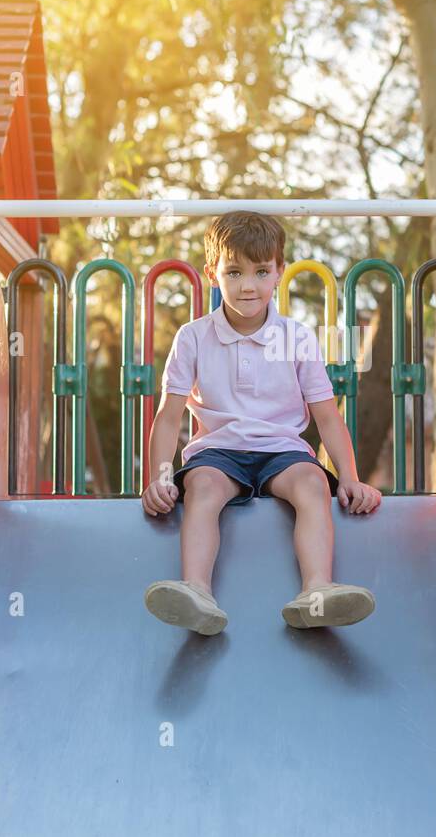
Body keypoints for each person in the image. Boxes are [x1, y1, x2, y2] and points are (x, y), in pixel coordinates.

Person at [142, 211, 381, 634]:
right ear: (212, 274)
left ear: (279, 273)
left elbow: (327, 416)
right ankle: (196, 591)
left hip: (282, 450)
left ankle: (317, 590)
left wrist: (349, 477)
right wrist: (160, 477)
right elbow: (168, 416)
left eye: (260, 271)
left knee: (311, 484)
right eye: (233, 272)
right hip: (217, 451)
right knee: (203, 487)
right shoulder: (193, 337)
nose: (247, 285)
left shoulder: (297, 337)